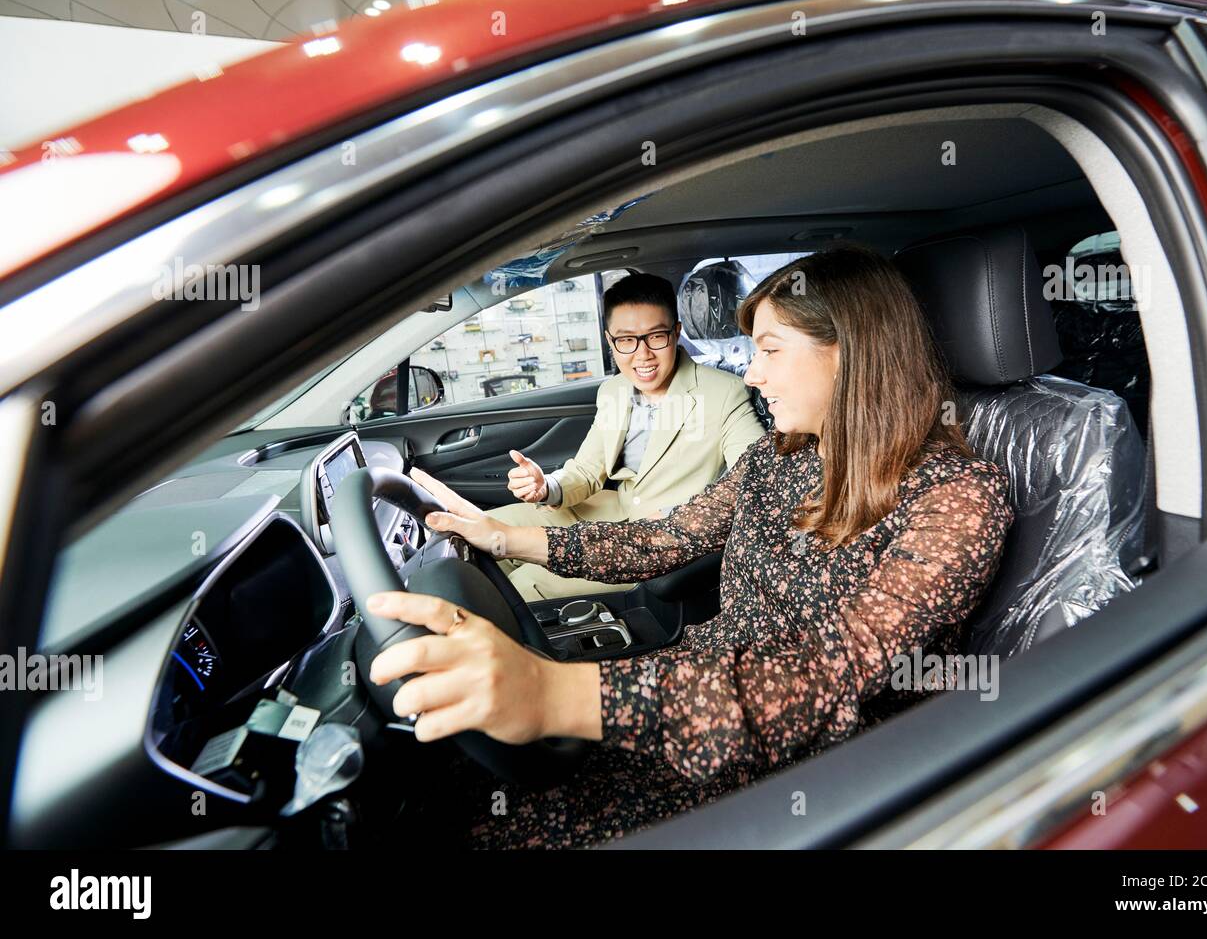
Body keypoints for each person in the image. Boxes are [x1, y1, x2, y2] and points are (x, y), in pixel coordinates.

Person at [370, 247, 1014, 848]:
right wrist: (504, 537)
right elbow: (666, 538)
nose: (752, 374)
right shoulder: (780, 457)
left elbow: (831, 672)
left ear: (853, 354)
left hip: (806, 756)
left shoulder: (956, 498)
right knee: (460, 782)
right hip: (701, 680)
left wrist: (557, 695)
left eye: (770, 350)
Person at [478, 272, 764, 602]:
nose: (642, 355)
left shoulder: (724, 392)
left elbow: (756, 479)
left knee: (524, 583)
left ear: (676, 333)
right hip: (609, 510)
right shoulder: (613, 390)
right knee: (485, 532)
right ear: (610, 340)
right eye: (626, 340)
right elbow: (586, 471)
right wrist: (547, 486)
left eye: (656, 337)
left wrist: (676, 515)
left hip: (659, 539)